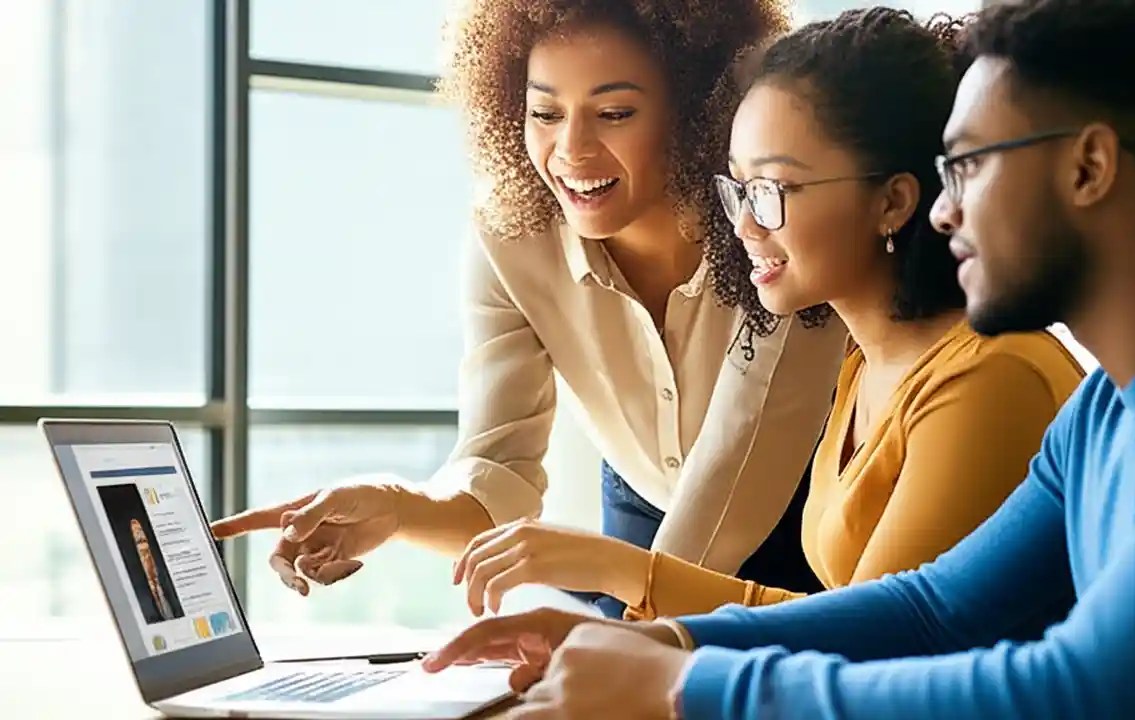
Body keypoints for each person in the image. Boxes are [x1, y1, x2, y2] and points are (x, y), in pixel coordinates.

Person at [423, 1, 1135, 717]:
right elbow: (933, 608)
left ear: (1090, 166)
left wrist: (689, 681)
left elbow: (1097, 687)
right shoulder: (1106, 411)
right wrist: (658, 638)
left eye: (971, 166)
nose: (943, 212)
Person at [208, 0, 849, 619]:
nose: (570, 149)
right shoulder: (510, 237)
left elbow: (743, 452)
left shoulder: (771, 227)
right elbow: (497, 471)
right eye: (544, 112)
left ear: (696, 110)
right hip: (641, 512)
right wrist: (396, 507)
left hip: (805, 523)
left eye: (615, 112)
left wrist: (621, 638)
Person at [452, 8, 1083, 623]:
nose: (745, 225)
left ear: (893, 201)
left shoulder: (989, 380)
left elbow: (879, 638)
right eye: (739, 189)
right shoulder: (864, 372)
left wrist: (622, 578)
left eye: (774, 191)